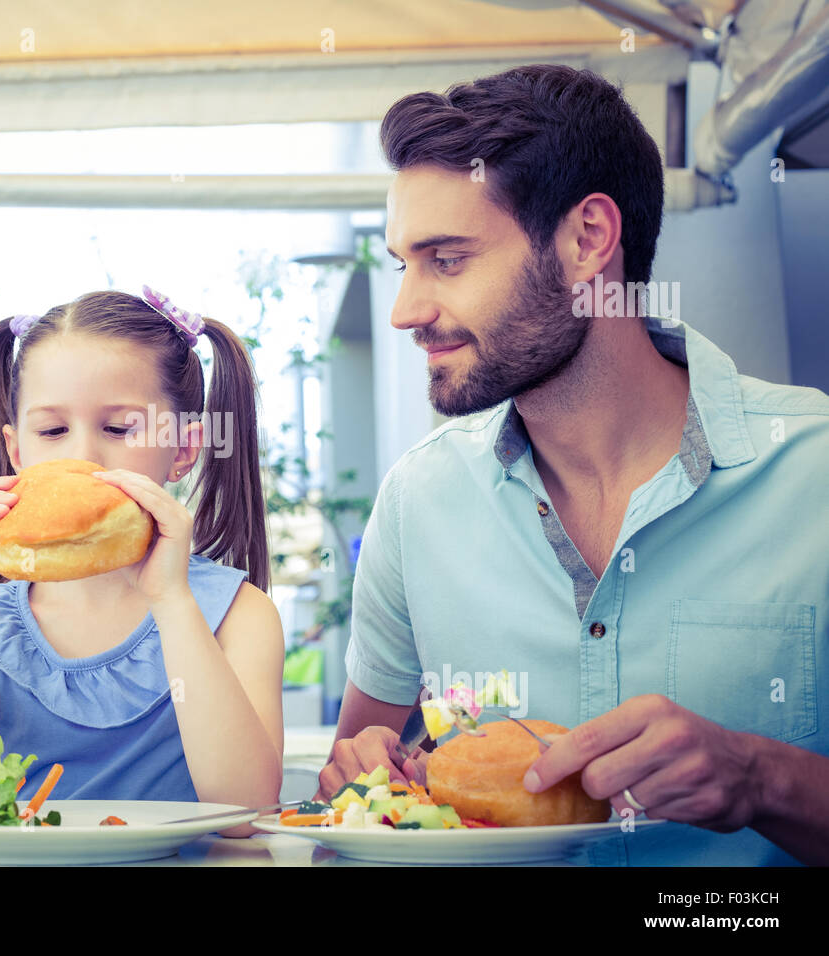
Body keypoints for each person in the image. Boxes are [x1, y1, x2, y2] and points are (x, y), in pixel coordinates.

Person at [318, 64, 829, 865]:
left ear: (587, 240)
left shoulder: (815, 475)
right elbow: (349, 799)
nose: (406, 311)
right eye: (402, 265)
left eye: (447, 259)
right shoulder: (418, 500)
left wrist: (759, 777)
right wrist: (363, 779)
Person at [0, 290, 284, 829]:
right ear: (18, 453)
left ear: (183, 450)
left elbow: (244, 811)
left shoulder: (238, 614)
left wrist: (171, 600)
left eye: (119, 429)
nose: (82, 458)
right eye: (52, 431)